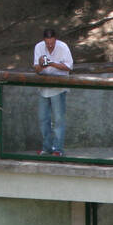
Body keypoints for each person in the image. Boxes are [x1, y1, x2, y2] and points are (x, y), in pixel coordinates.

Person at [33, 28, 73, 156]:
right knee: (43, 118)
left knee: (58, 119)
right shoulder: (39, 47)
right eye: (47, 43)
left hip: (58, 87)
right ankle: (47, 147)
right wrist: (41, 65)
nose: (49, 45)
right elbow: (37, 69)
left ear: (55, 39)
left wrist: (53, 64)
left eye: (52, 42)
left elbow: (69, 66)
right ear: (44, 41)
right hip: (43, 87)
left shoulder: (63, 47)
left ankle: (58, 149)